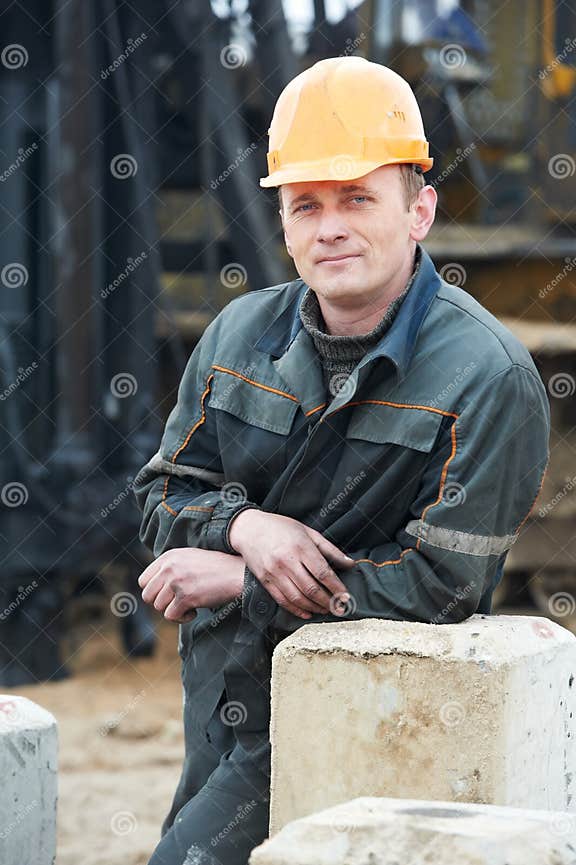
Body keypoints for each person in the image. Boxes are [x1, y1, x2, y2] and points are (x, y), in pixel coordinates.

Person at [132, 56, 550, 865]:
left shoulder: (487, 376)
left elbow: (439, 589)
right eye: (306, 205)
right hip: (221, 702)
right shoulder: (236, 338)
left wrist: (238, 578)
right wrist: (248, 526)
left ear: (420, 210)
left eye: (358, 198)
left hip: (375, 716)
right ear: (284, 224)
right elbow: (161, 497)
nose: (331, 227)